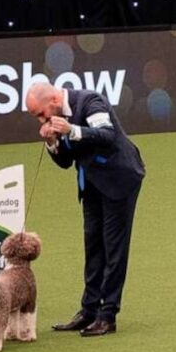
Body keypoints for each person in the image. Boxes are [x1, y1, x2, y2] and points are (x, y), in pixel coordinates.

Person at [27, 76, 147, 337]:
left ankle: (108, 315)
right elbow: (66, 162)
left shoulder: (91, 102)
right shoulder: (56, 117)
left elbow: (106, 135)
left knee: (113, 247)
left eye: (40, 114)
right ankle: (88, 310)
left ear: (55, 100)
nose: (40, 121)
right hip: (91, 182)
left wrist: (71, 129)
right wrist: (51, 142)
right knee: (93, 244)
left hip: (119, 178)